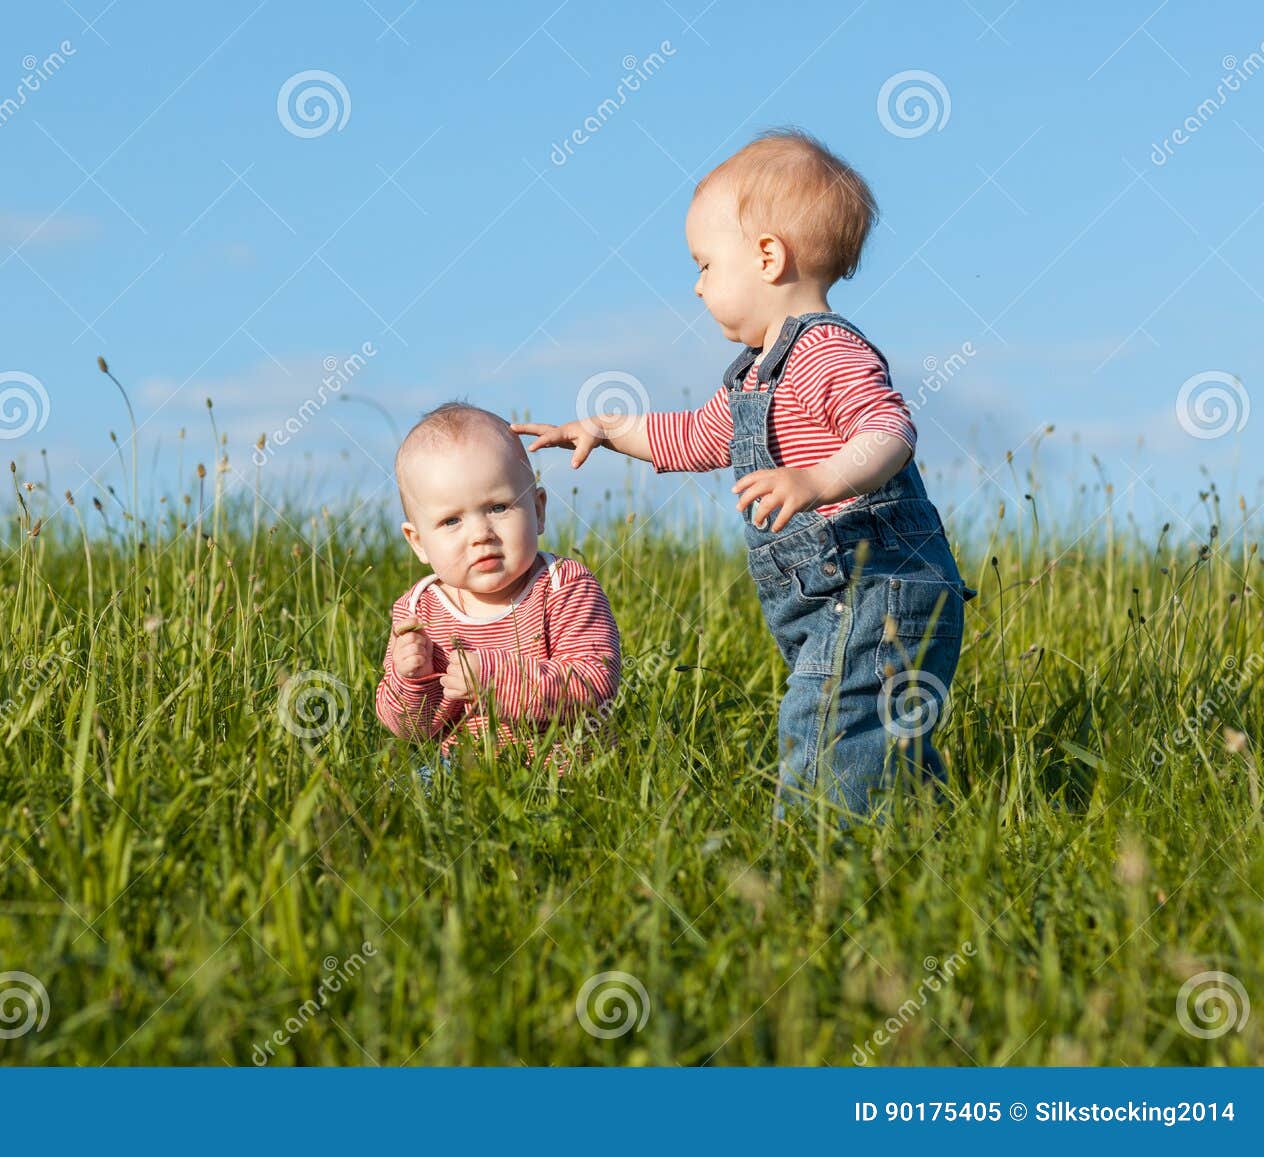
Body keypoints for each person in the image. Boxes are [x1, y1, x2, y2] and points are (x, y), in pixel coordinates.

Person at [515, 128, 975, 824]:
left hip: (873, 585)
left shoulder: (824, 351)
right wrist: (607, 430)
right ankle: (922, 839)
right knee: (875, 740)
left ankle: (819, 858)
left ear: (768, 257)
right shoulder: (758, 375)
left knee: (825, 723)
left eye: (705, 264)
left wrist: (816, 482)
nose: (697, 284)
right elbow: (697, 435)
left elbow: (889, 431)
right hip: (836, 597)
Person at [376, 402, 622, 784]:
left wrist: (493, 680)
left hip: (566, 772)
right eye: (451, 520)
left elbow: (595, 683)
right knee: (395, 794)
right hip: (465, 775)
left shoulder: (563, 586)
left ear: (538, 510)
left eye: (498, 507)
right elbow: (412, 729)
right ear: (418, 541)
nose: (481, 534)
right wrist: (411, 679)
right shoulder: (419, 609)